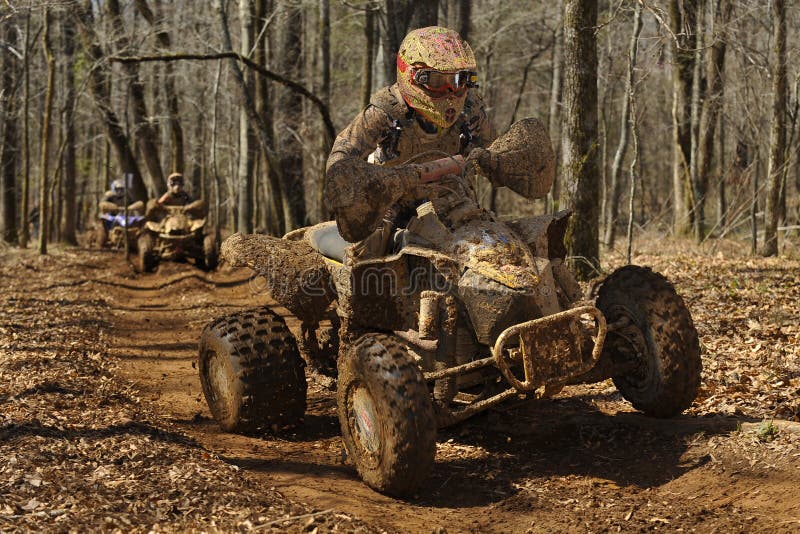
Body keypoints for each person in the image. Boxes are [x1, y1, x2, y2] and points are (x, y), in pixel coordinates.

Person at [324, 26, 495, 261]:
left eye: (458, 80)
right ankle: (393, 246)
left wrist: (489, 161)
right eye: (437, 80)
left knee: (488, 245)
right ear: (413, 76)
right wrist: (377, 183)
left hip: (449, 197)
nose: (450, 91)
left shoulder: (469, 109)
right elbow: (341, 160)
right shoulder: (387, 111)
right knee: (367, 252)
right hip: (392, 200)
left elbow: (491, 149)